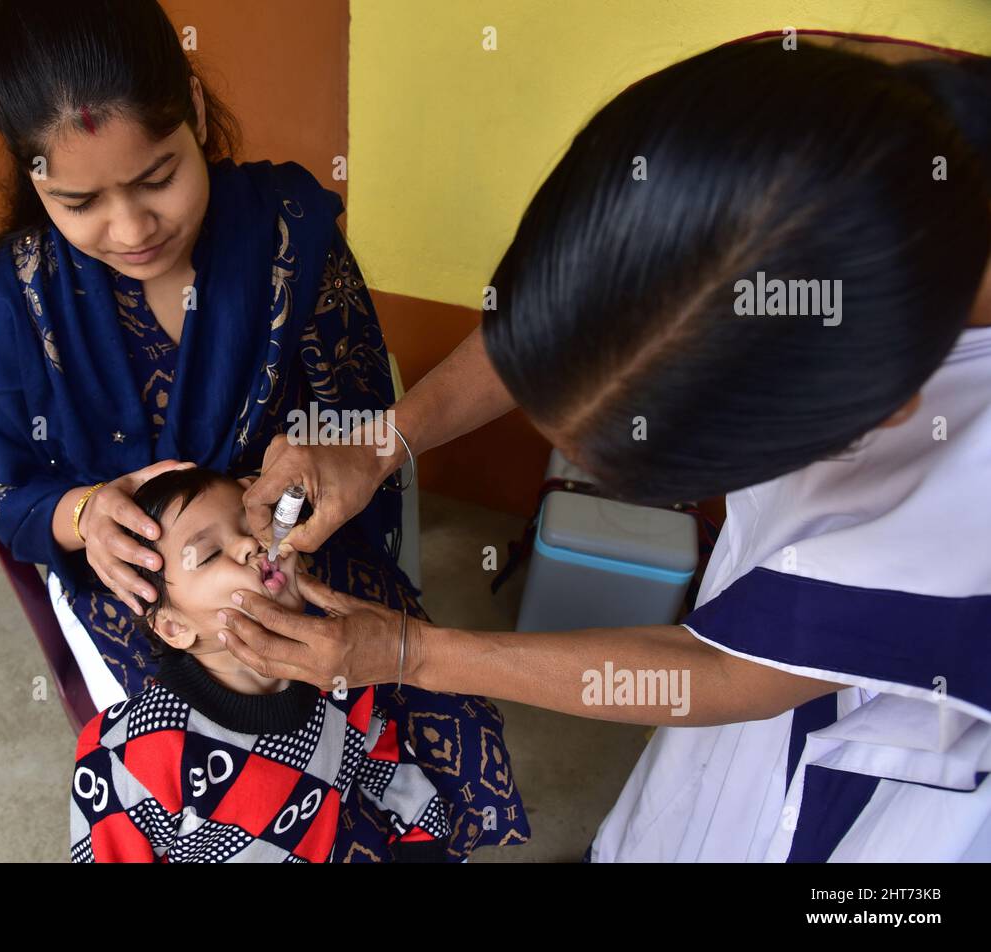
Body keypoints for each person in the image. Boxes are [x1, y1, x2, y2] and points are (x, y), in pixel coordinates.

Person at [225, 38, 991, 861]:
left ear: (886, 414)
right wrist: (380, 444)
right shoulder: (796, 106)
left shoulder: (960, 505)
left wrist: (417, 654)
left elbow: (736, 673)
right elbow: (585, 314)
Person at [0, 0, 528, 858]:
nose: (132, 229)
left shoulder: (287, 230)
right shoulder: (12, 302)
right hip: (151, 594)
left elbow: (360, 411)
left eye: (157, 177)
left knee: (404, 712)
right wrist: (81, 515)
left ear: (198, 113)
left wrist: (313, 479)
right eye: (79, 201)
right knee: (215, 783)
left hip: (302, 542)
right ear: (33, 181)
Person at [71, 467, 469, 862]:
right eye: (208, 554)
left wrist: (422, 838)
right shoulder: (123, 755)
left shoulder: (341, 675)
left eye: (254, 525)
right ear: (174, 627)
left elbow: (382, 758)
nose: (250, 545)